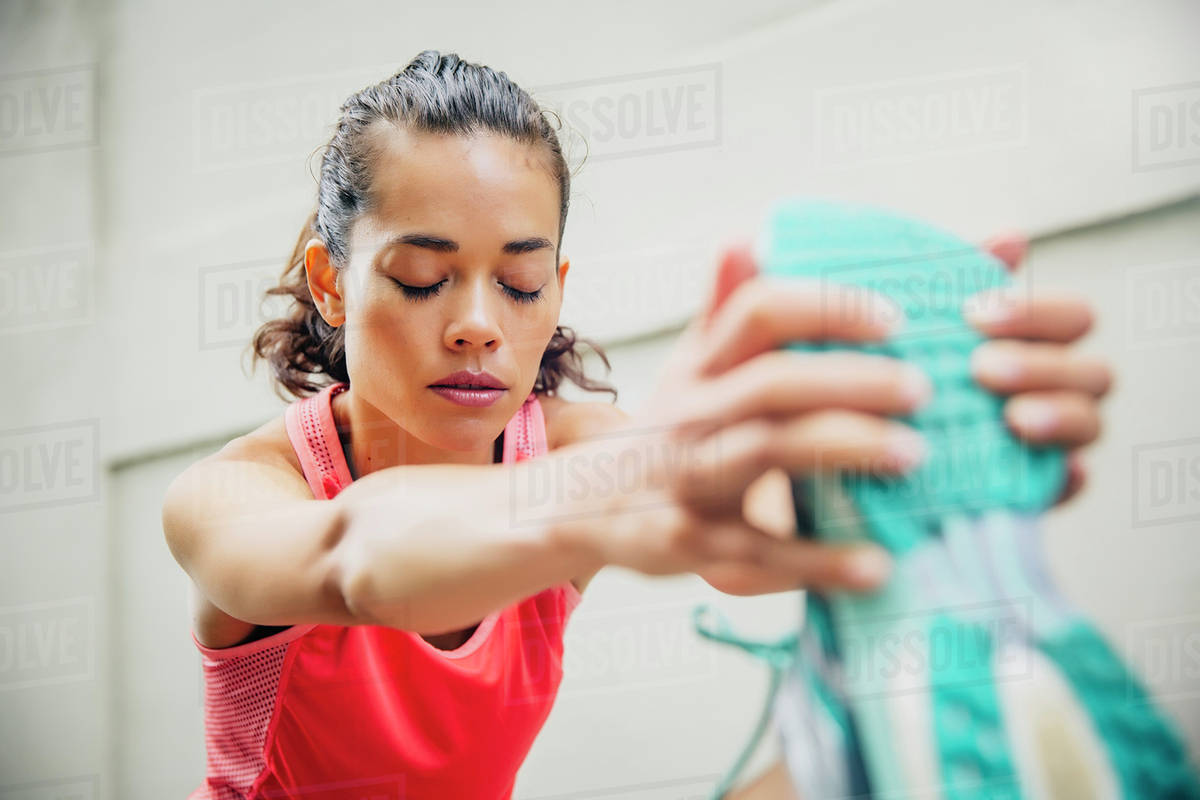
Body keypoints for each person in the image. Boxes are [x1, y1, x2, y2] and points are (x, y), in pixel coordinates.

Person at [161, 50, 1112, 799]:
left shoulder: (569, 445)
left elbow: (744, 530)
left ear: (555, 291)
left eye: (522, 283)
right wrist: (625, 488)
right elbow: (353, 559)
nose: (480, 322)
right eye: (421, 278)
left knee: (817, 776)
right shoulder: (232, 496)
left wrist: (886, 455)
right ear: (332, 283)